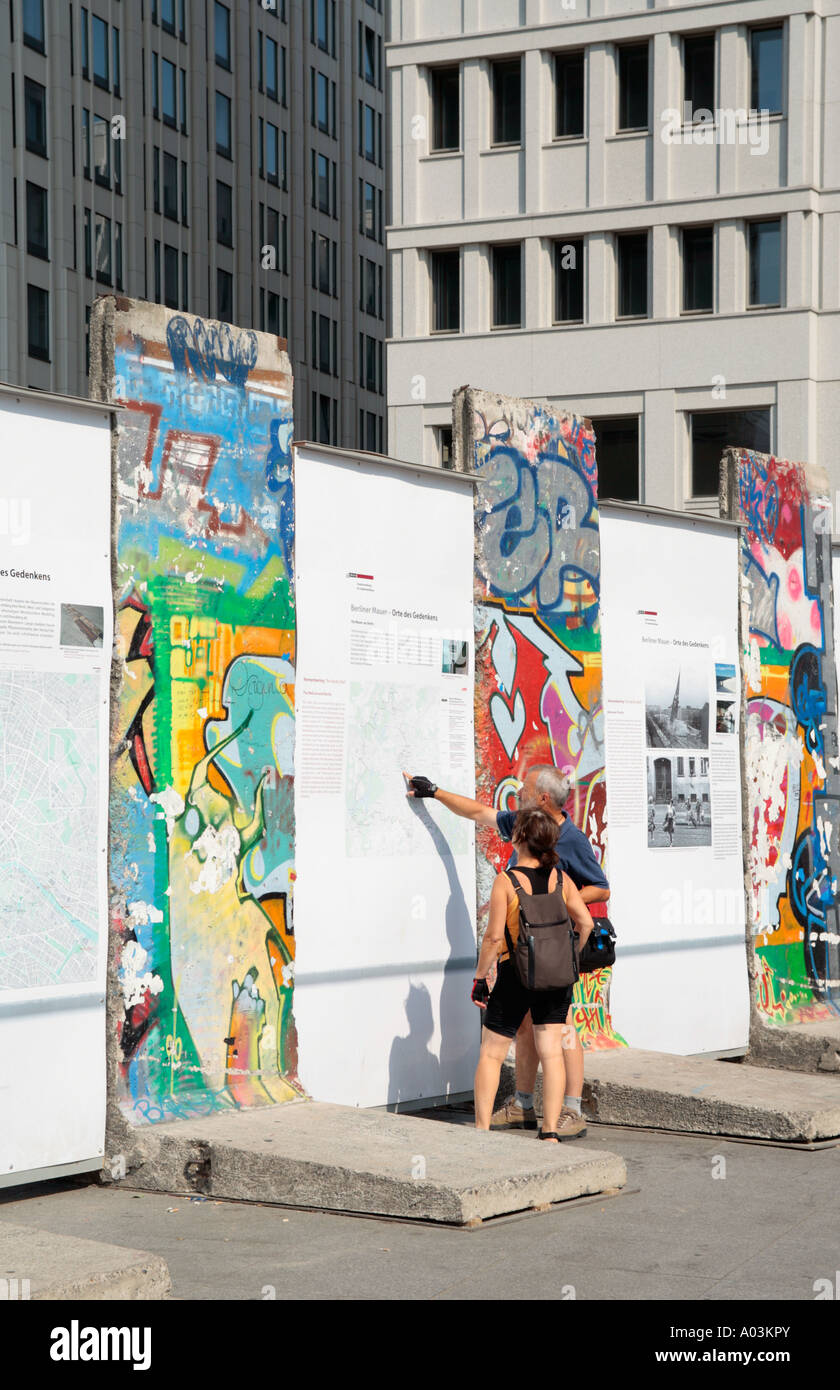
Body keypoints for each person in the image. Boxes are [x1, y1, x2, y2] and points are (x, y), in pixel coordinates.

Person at [406, 763, 610, 1137]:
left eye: (525, 789)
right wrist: (434, 791)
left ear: (543, 799)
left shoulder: (570, 842)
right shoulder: (527, 827)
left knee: (560, 1033)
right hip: (529, 955)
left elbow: (601, 887)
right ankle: (530, 1111)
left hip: (546, 956)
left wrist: (549, 914)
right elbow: (478, 812)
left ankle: (572, 1109)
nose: (518, 793)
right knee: (535, 1034)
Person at [470, 808, 594, 1139]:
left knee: (492, 1052)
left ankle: (481, 1131)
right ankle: (550, 1132)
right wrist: (568, 958)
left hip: (516, 974)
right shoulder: (562, 879)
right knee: (551, 1051)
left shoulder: (506, 881)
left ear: (519, 838)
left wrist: (480, 978)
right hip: (557, 977)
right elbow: (586, 923)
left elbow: (494, 938)